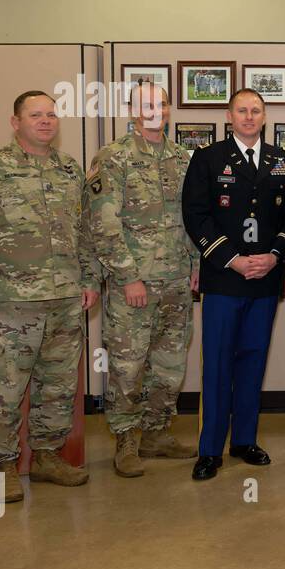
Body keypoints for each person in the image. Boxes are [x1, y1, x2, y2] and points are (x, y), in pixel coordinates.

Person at [0, 90, 101, 502]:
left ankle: (47, 457)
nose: (46, 121)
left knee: (58, 385)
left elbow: (85, 232)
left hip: (66, 298)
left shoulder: (69, 170)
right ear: (15, 122)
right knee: (6, 387)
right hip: (10, 301)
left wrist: (90, 279)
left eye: (51, 115)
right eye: (36, 115)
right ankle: (1, 465)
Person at [182, 88, 285, 481]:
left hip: (264, 279)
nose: (249, 117)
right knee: (216, 364)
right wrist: (233, 258)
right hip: (224, 278)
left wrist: (276, 257)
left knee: (253, 360)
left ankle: (245, 440)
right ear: (229, 116)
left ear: (264, 116)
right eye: (241, 111)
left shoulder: (283, 161)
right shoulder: (208, 158)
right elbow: (196, 216)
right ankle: (210, 449)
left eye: (256, 111)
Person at [87, 82, 197, 477]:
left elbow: (192, 217)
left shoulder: (182, 158)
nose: (156, 110)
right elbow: (103, 223)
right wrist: (128, 276)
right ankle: (127, 440)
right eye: (147, 104)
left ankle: (156, 433)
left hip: (176, 280)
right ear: (133, 110)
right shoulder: (113, 158)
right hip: (133, 283)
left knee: (169, 364)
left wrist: (196, 264)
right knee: (128, 366)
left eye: (162, 103)